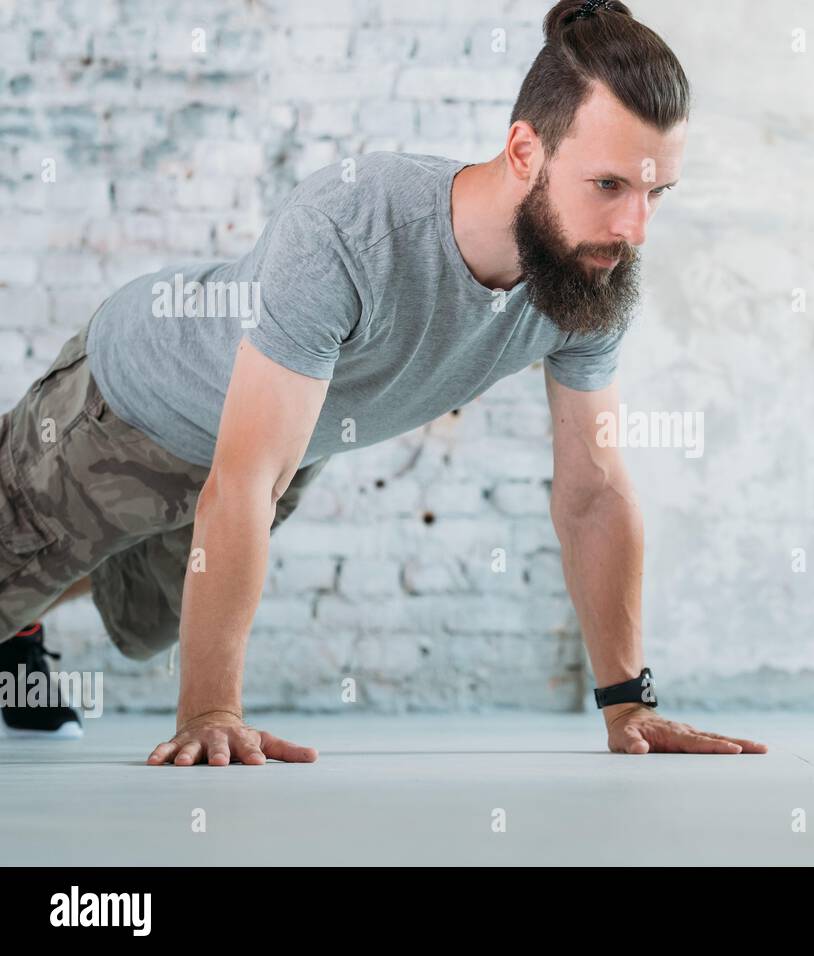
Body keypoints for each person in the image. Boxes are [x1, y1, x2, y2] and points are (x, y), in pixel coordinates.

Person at [0, 0, 767, 761]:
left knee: (143, 616)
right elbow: (244, 480)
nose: (635, 228)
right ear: (525, 152)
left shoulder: (588, 276)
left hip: (274, 452)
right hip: (126, 406)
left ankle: (27, 615)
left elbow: (595, 491)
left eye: (655, 192)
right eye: (608, 186)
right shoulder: (354, 222)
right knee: (42, 559)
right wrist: (210, 712)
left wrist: (627, 702)